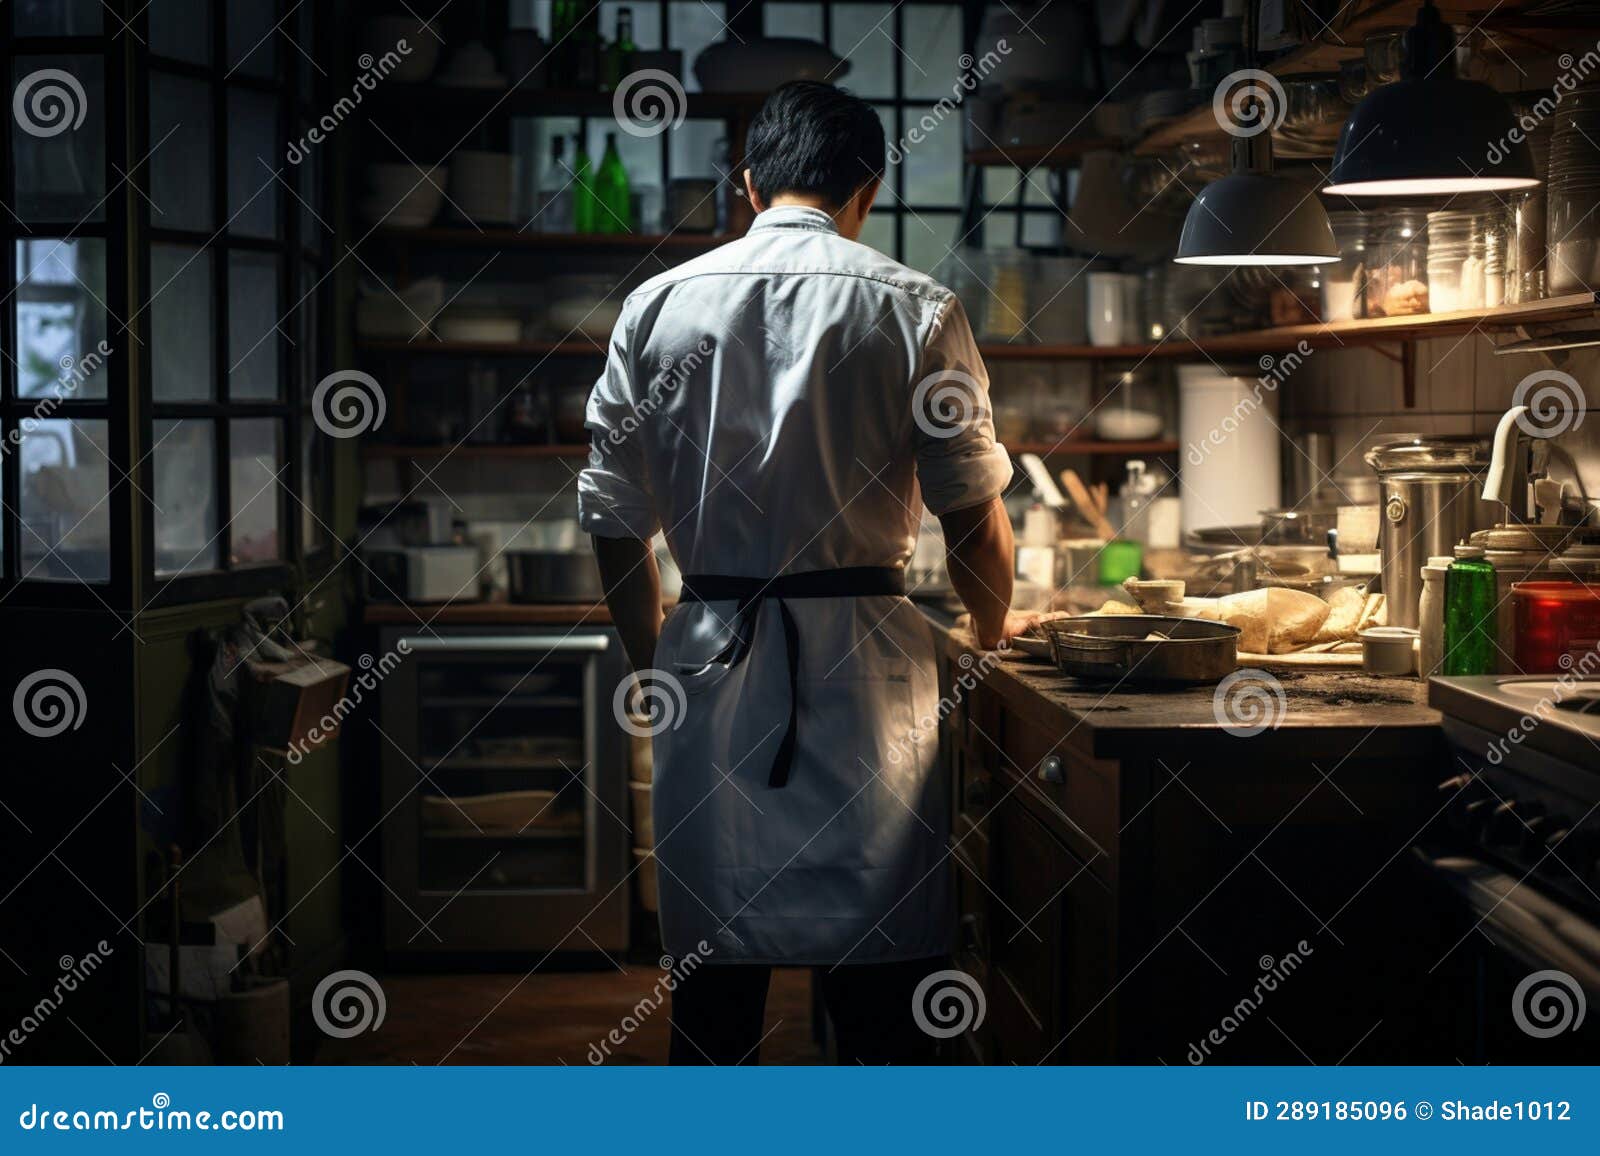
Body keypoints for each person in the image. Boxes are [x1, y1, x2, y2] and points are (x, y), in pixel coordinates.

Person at [578, 80, 1031, 1065]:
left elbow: (613, 523)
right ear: (867, 185)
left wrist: (660, 657)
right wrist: (985, 645)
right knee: (883, 989)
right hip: (870, 679)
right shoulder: (916, 306)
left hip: (707, 658)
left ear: (749, 183)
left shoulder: (655, 307)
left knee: (714, 995)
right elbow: (974, 521)